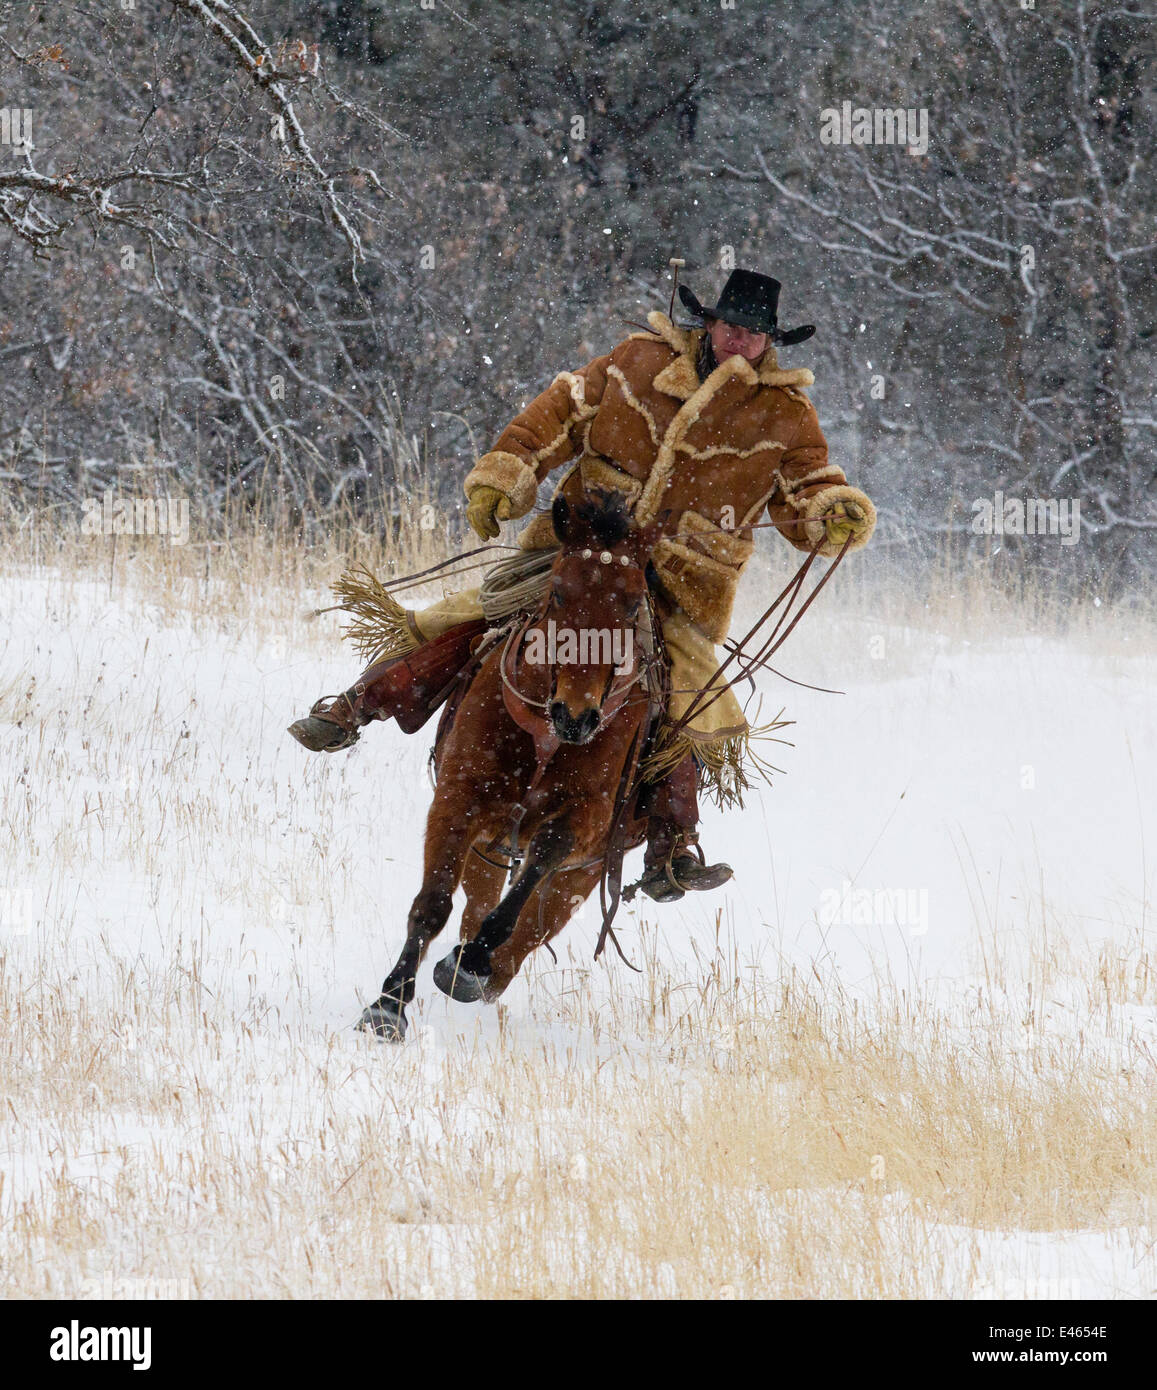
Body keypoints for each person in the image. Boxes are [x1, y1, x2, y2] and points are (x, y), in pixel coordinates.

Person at [289, 268, 876, 902]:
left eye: (754, 335)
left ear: (770, 342)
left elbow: (809, 487)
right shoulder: (636, 363)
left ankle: (672, 844)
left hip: (677, 586)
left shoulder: (785, 415)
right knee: (472, 613)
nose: (740, 342)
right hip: (582, 550)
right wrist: (508, 472)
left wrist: (831, 512)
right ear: (709, 323)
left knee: (690, 697)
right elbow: (561, 411)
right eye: (732, 327)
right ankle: (361, 703)